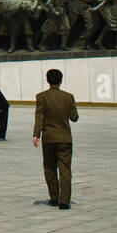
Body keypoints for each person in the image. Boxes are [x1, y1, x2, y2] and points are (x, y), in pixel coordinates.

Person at [33, 68, 79, 209]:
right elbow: (74, 117)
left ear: (47, 80)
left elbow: (39, 117)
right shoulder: (68, 97)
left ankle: (54, 197)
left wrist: (36, 134)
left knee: (49, 168)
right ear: (61, 80)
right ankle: (64, 201)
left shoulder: (41, 97)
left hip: (48, 138)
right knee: (65, 170)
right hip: (65, 138)